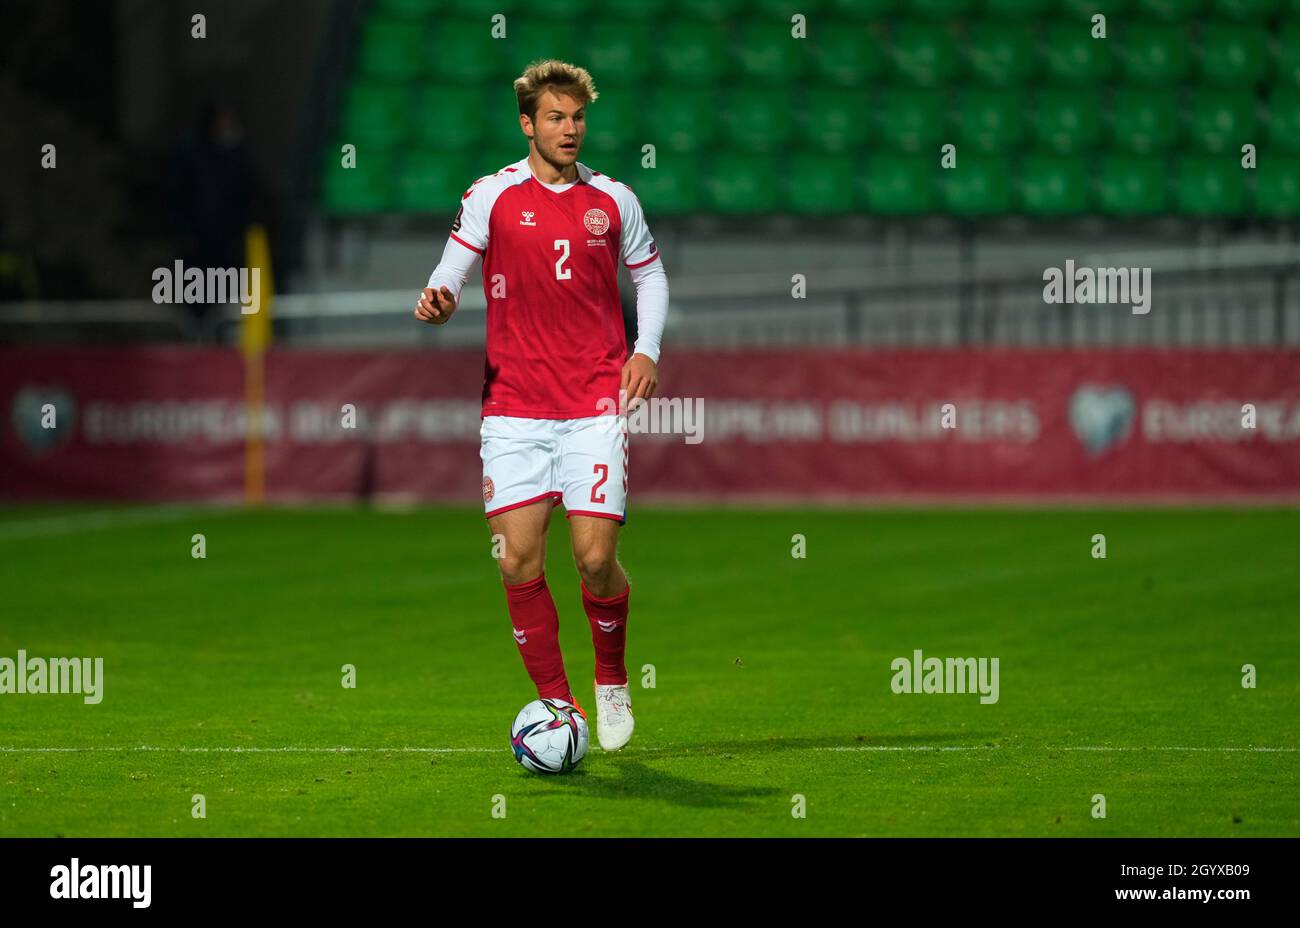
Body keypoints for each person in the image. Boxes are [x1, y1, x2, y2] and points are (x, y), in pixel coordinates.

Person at [415, 60, 668, 752]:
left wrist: (645, 349)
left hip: (593, 404)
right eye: (556, 118)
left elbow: (650, 277)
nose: (571, 129)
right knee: (517, 561)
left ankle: (610, 680)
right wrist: (439, 298)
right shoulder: (492, 196)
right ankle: (560, 709)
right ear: (527, 124)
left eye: (578, 117)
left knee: (592, 558)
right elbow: (450, 268)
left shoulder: (614, 199)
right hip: (515, 409)